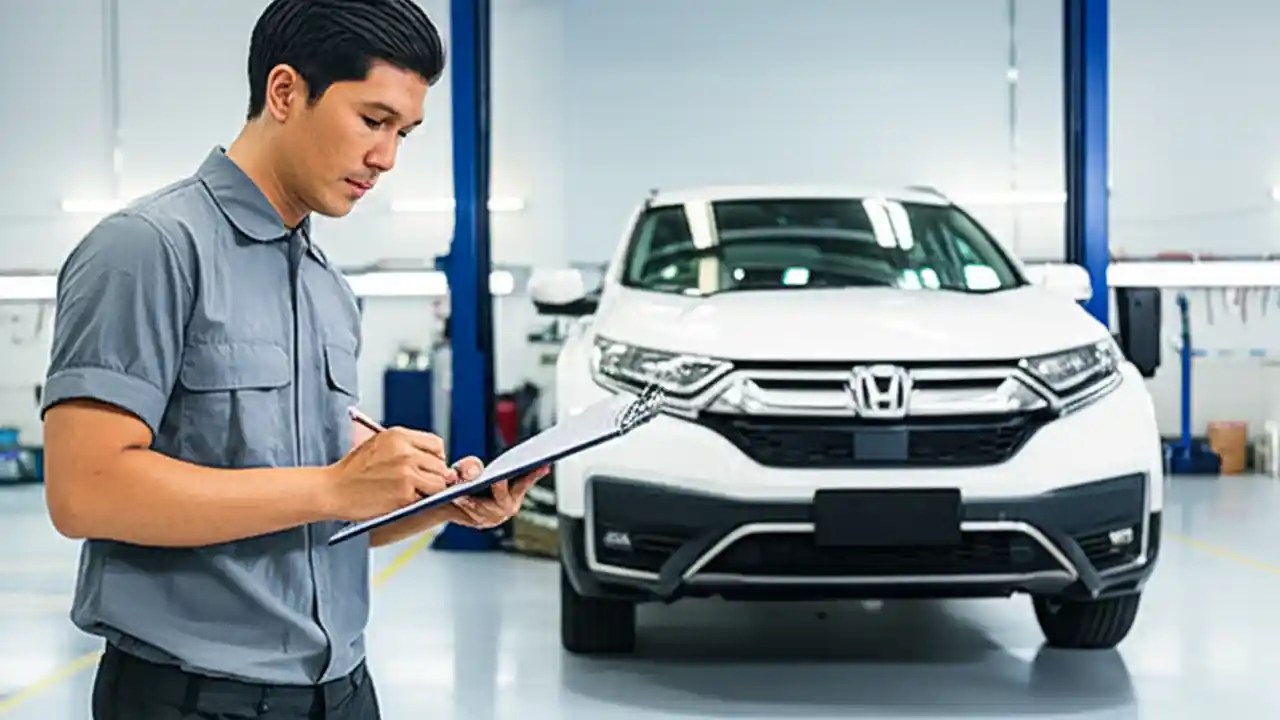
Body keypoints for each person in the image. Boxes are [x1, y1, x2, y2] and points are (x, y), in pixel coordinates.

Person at [39, 1, 546, 717]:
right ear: (285, 93)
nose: (387, 158)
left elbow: (326, 509)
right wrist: (336, 487)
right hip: (193, 699)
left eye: (404, 133)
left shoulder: (328, 287)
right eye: (373, 121)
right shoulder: (147, 249)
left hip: (340, 693)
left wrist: (435, 502)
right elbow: (84, 488)